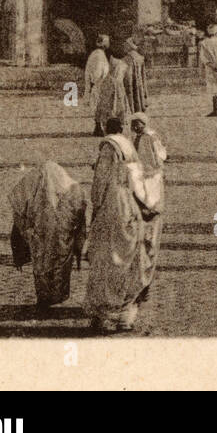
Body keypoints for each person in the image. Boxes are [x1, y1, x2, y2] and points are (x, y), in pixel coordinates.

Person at [86, 118, 160, 333]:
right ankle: (125, 316)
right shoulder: (128, 146)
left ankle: (100, 317)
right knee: (128, 260)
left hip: (113, 204)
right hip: (130, 203)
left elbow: (100, 182)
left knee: (104, 259)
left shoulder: (109, 147)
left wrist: (96, 205)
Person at [8, 161, 87, 310]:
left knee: (41, 266)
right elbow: (80, 209)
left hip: (40, 236)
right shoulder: (71, 188)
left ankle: (44, 297)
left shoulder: (32, 184)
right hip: (62, 237)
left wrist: (25, 228)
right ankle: (59, 295)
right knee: (61, 265)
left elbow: (17, 206)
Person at [130, 113, 166, 302]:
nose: (135, 127)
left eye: (138, 124)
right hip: (144, 184)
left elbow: (159, 158)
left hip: (150, 184)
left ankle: (145, 282)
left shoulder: (149, 137)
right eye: (133, 124)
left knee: (149, 240)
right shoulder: (140, 138)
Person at [95, 55, 134, 138]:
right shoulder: (121, 65)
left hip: (112, 86)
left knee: (109, 106)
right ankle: (107, 126)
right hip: (113, 86)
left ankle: (106, 126)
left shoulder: (119, 64)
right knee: (113, 106)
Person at [84, 35, 111, 135]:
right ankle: (98, 128)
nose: (109, 44)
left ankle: (100, 127)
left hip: (99, 84)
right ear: (104, 43)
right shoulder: (98, 55)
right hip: (98, 84)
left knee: (100, 107)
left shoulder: (98, 54)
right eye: (107, 42)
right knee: (99, 106)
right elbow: (97, 72)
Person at [122, 37, 148, 114]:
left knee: (131, 98)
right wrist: (145, 93)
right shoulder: (140, 58)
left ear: (129, 46)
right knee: (138, 99)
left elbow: (127, 76)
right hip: (139, 84)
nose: (124, 47)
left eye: (125, 45)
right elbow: (144, 77)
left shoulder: (126, 59)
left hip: (130, 83)